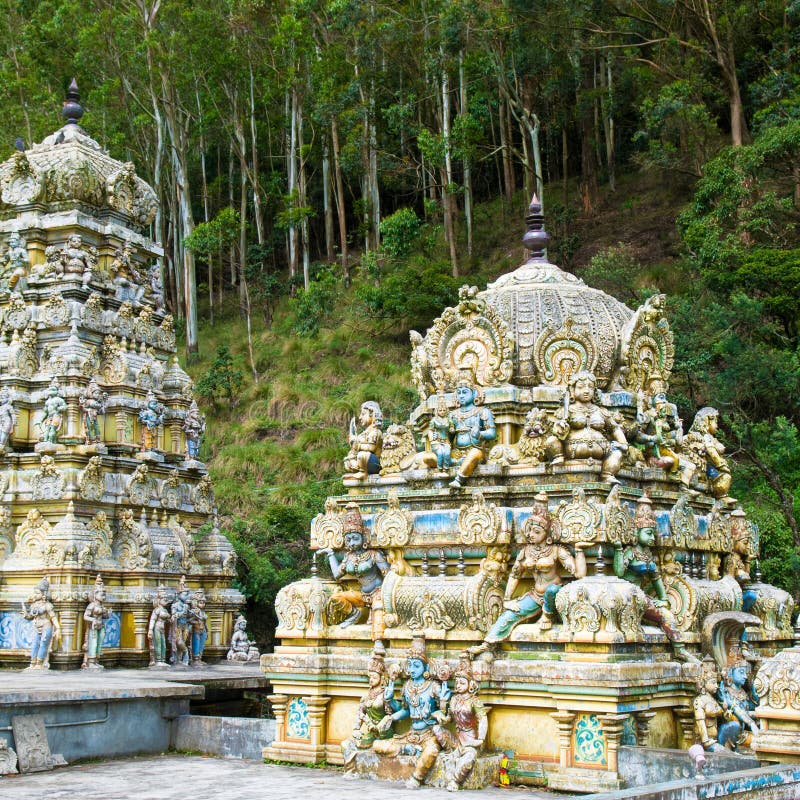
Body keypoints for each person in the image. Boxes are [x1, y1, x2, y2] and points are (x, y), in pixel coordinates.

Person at [471, 493, 587, 657]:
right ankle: (487, 644)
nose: (531, 534)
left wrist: (580, 551)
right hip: (534, 595)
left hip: (554, 595)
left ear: (547, 536)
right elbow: (515, 575)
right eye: (530, 530)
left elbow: (579, 574)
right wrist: (507, 600)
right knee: (508, 616)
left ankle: (547, 616)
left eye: (537, 531)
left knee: (552, 590)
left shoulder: (556, 551)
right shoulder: (526, 552)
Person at [375, 637, 452, 789]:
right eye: (410, 665)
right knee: (377, 745)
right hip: (410, 735)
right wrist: (390, 705)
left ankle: (417, 777)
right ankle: (408, 750)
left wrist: (443, 703)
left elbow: (442, 713)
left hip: (428, 734)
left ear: (425, 668)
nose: (412, 669)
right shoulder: (407, 686)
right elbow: (405, 710)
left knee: (431, 751)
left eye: (416, 666)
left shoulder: (433, 687)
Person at [318, 503, 390, 644]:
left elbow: (388, 575)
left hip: (378, 593)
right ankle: (353, 614)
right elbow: (337, 575)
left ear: (364, 538)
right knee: (336, 598)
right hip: (362, 595)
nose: (351, 543)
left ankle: (378, 643)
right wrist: (331, 554)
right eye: (348, 539)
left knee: (378, 608)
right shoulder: (348, 557)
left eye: (355, 538)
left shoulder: (374, 555)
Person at [546, 370, 628, 482]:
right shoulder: (567, 410)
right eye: (581, 387)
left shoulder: (601, 411)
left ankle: (607, 474)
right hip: (572, 450)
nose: (586, 391)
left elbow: (614, 428)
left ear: (594, 391)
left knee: (617, 453)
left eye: (590, 387)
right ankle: (558, 457)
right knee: (551, 440)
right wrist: (561, 427)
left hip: (602, 450)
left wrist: (623, 443)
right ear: (572, 390)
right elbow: (556, 430)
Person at [433, 653, 487, 792]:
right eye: (457, 682)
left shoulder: (475, 701)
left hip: (470, 740)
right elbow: (449, 719)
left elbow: (483, 719)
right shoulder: (454, 699)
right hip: (457, 740)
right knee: (436, 729)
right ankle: (452, 752)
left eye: (462, 682)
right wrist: (441, 715)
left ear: (470, 684)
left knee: (468, 759)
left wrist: (480, 739)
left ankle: (455, 780)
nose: (458, 685)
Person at [448, 381, 496, 489]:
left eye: (464, 392)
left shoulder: (482, 411)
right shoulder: (452, 415)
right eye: (459, 393)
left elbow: (492, 433)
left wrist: (480, 434)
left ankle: (458, 479)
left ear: (474, 393)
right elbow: (448, 439)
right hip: (456, 454)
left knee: (474, 453)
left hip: (476, 451)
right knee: (427, 457)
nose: (461, 395)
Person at [21, 577, 61, 669]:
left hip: (46, 626)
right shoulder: (33, 605)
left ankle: (40, 663)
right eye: (35, 592)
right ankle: (33, 662)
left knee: (43, 644)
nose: (35, 595)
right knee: (35, 644)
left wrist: (58, 628)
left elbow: (53, 617)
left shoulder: (47, 605)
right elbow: (31, 617)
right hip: (37, 626)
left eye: (37, 593)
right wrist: (25, 615)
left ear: (44, 594)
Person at [343, 401, 383, 479]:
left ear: (372, 414)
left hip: (375, 462)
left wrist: (358, 445)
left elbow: (371, 448)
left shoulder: (375, 432)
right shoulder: (365, 432)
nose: (360, 417)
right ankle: (357, 469)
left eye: (363, 414)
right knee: (348, 460)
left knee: (362, 455)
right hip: (363, 461)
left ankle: (363, 472)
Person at [82, 575, 109, 669]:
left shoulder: (102, 606)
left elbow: (105, 616)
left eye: (104, 594)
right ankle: (91, 661)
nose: (104, 597)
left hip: (100, 625)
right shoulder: (92, 606)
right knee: (93, 643)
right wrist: (93, 619)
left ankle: (97, 659)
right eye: (102, 595)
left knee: (100, 642)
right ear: (95, 595)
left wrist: (107, 613)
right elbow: (85, 616)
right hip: (93, 627)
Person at [147, 587, 171, 667]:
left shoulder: (165, 610)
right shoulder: (157, 610)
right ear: (159, 600)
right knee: (158, 644)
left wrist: (170, 618)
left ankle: (162, 660)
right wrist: (150, 630)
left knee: (163, 644)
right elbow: (152, 620)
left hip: (162, 629)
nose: (166, 600)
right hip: (157, 628)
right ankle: (158, 660)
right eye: (164, 599)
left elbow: (167, 620)